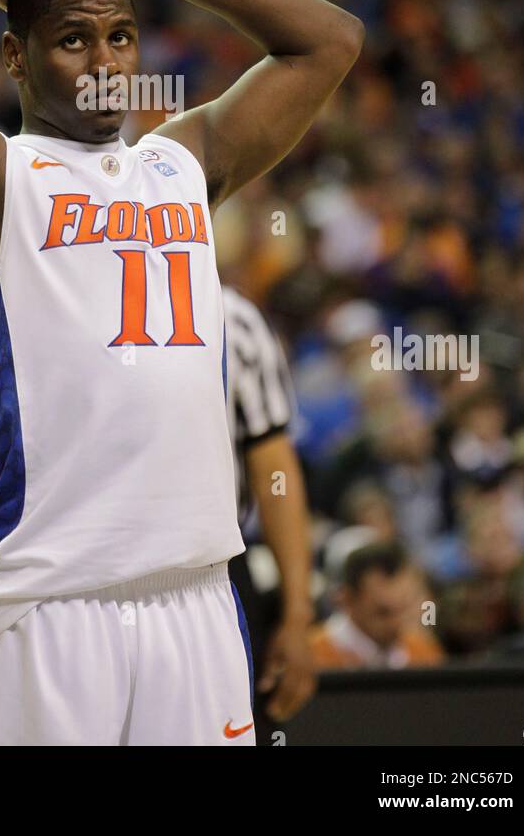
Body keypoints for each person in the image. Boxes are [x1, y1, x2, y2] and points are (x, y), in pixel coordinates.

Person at [0, 0, 363, 746]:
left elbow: (329, 40)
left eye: (120, 36)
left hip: (195, 595)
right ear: (17, 58)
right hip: (49, 606)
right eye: (73, 40)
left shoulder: (183, 163)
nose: (105, 63)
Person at [221, 285, 317, 722]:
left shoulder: (233, 318)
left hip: (216, 568)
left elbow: (275, 470)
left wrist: (297, 616)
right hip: (95, 568)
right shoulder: (76, 298)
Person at [308, 541, 444, 670]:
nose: (396, 623)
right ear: (347, 600)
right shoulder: (310, 656)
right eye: (383, 613)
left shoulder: (423, 653)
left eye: (403, 609)